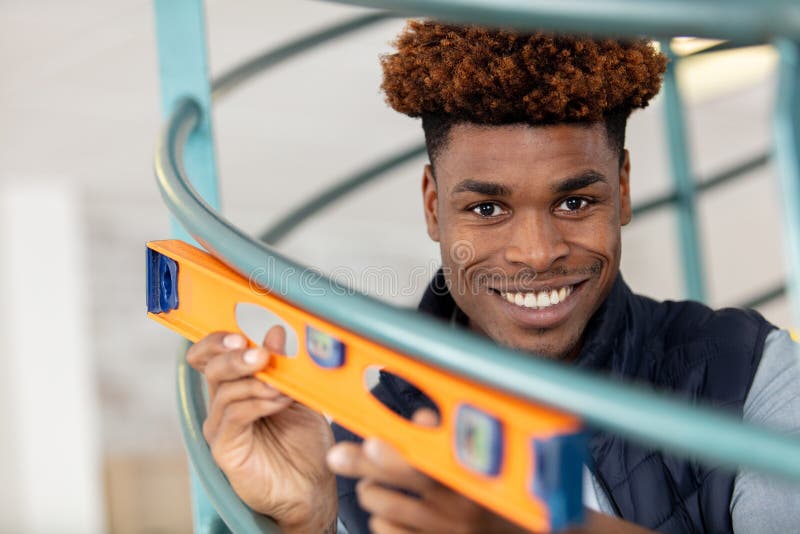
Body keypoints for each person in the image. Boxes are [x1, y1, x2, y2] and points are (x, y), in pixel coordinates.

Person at [186, 21, 800, 533]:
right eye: (487, 209)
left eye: (575, 202)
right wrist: (308, 521)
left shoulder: (750, 368)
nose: (537, 253)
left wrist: (518, 523)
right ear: (433, 207)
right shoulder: (359, 446)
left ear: (624, 189)